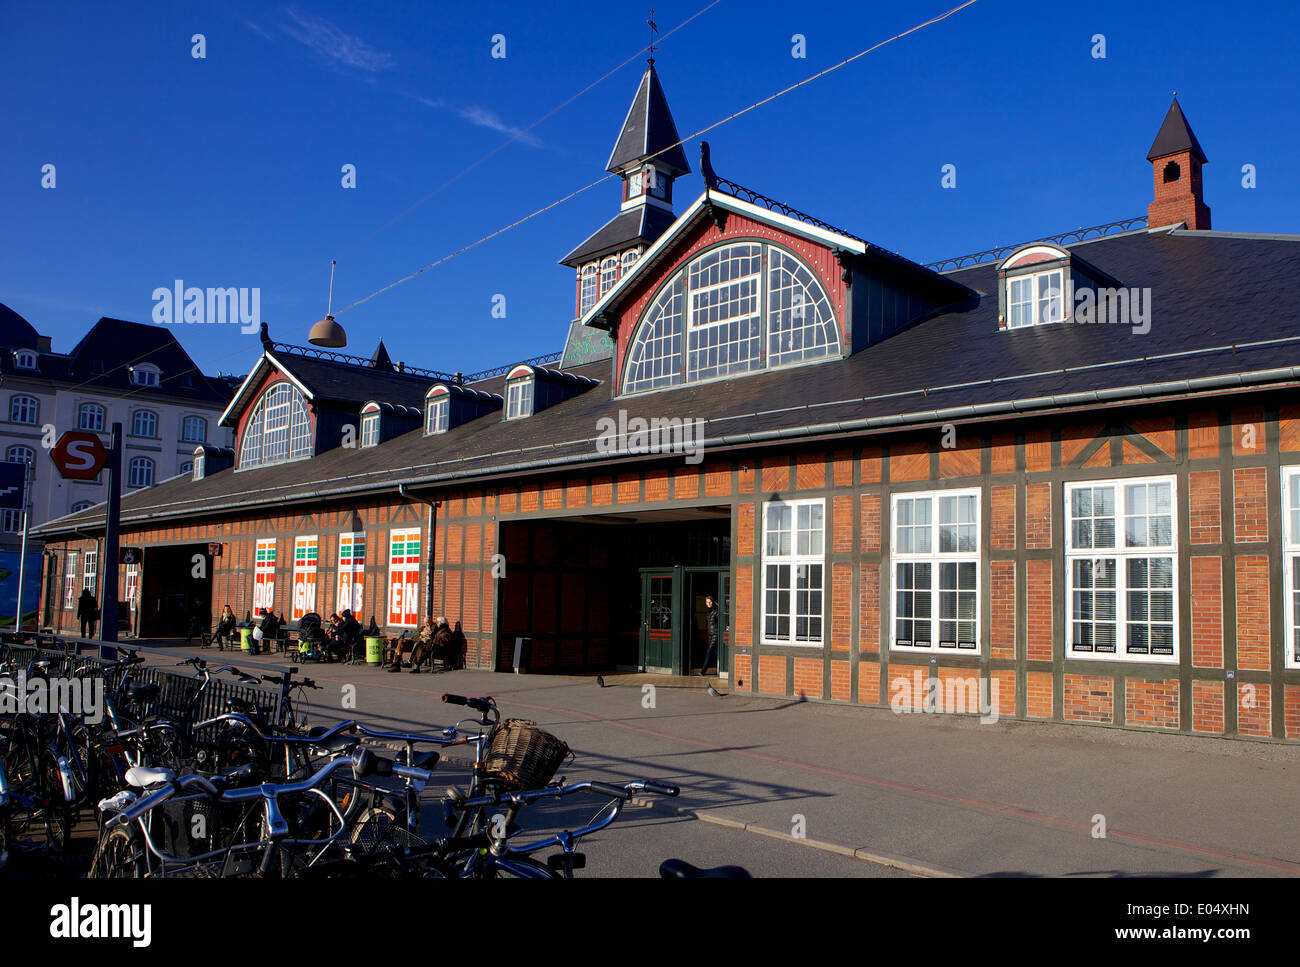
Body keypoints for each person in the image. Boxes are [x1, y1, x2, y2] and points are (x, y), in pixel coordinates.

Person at [699, 595, 720, 676]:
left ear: (713, 602)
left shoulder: (717, 611)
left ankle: (703, 671)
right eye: (707, 602)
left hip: (716, 634)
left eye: (710, 602)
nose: (708, 603)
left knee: (709, 651)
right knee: (716, 653)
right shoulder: (708, 611)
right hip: (710, 635)